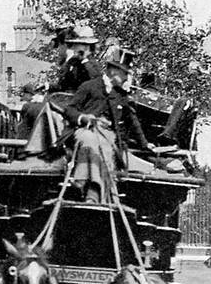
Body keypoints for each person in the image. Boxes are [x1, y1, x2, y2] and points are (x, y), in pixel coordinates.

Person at [61, 46, 151, 203]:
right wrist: (83, 118)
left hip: (108, 134)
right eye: (125, 74)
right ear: (113, 71)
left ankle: (93, 191)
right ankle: (86, 186)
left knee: (103, 145)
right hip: (85, 129)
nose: (125, 79)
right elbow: (69, 109)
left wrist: (145, 144)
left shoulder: (122, 96)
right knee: (89, 140)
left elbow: (133, 121)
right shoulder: (89, 86)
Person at [54, 23, 102, 93]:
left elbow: (95, 82)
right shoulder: (73, 62)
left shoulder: (93, 64)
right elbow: (62, 83)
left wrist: (84, 60)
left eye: (77, 44)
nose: (73, 47)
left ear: (86, 47)